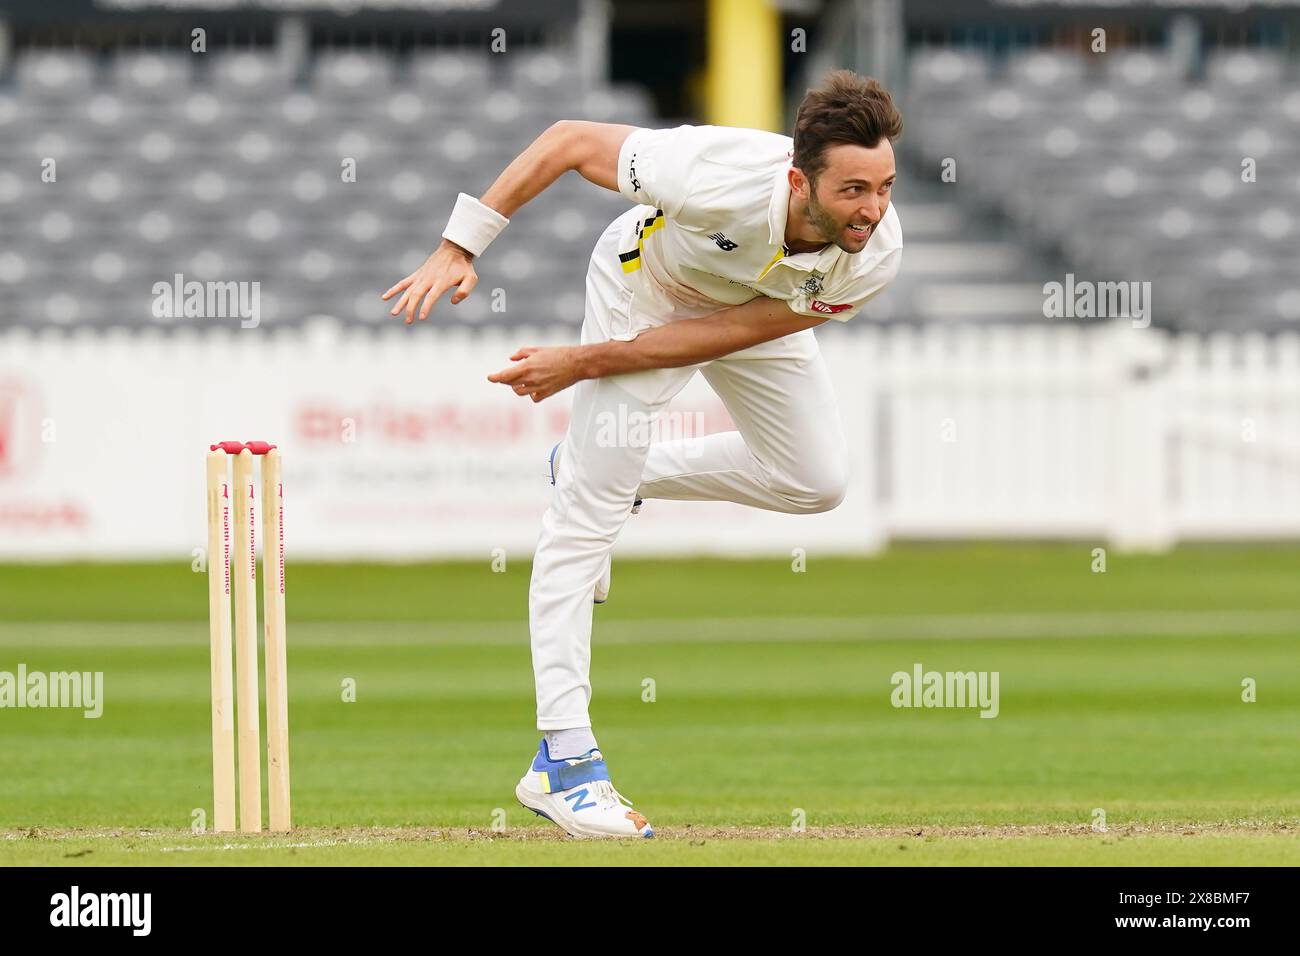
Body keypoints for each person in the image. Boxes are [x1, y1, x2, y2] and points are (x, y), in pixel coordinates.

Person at [382, 69, 903, 838]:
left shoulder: (875, 254)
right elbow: (565, 142)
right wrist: (461, 245)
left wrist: (581, 364)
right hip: (645, 287)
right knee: (585, 515)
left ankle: (606, 471)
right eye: (854, 190)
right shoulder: (713, 173)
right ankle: (562, 760)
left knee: (817, 481)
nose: (873, 210)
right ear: (799, 180)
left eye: (885, 186)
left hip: (755, 313)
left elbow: (732, 335)